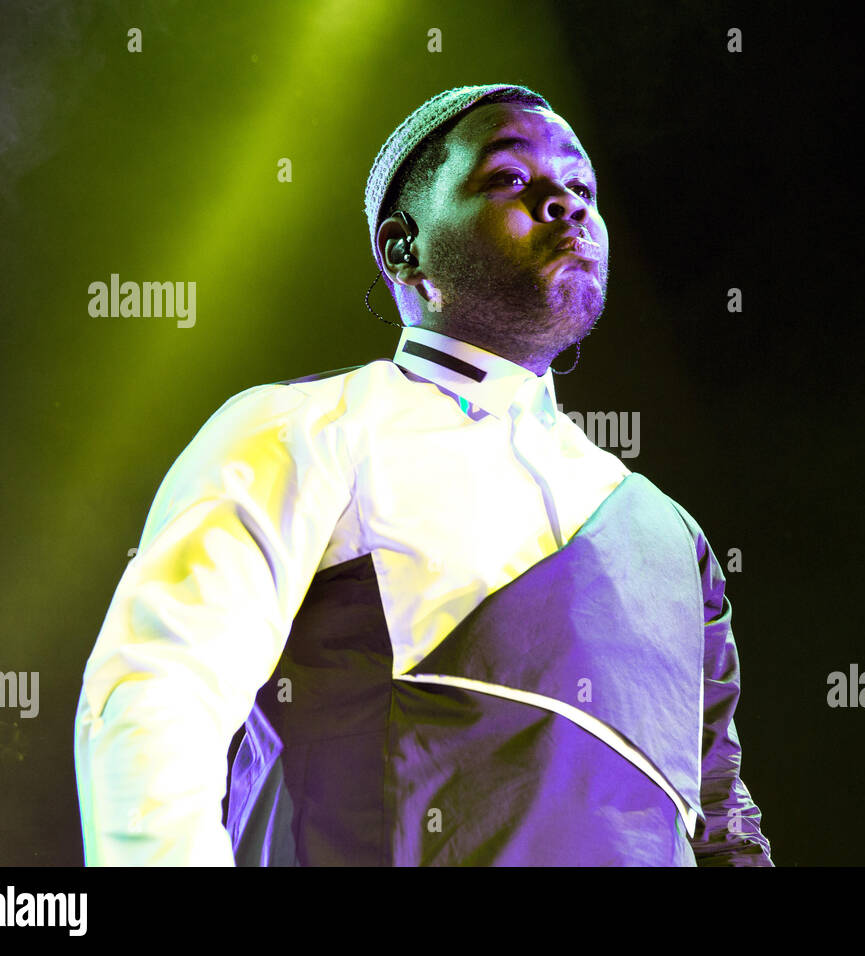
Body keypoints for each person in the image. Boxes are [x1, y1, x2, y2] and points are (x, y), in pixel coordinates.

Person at [73, 82, 773, 866]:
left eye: (583, 187)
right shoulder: (304, 426)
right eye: (510, 177)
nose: (565, 204)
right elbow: (159, 692)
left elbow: (722, 821)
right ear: (403, 247)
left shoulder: (673, 537)